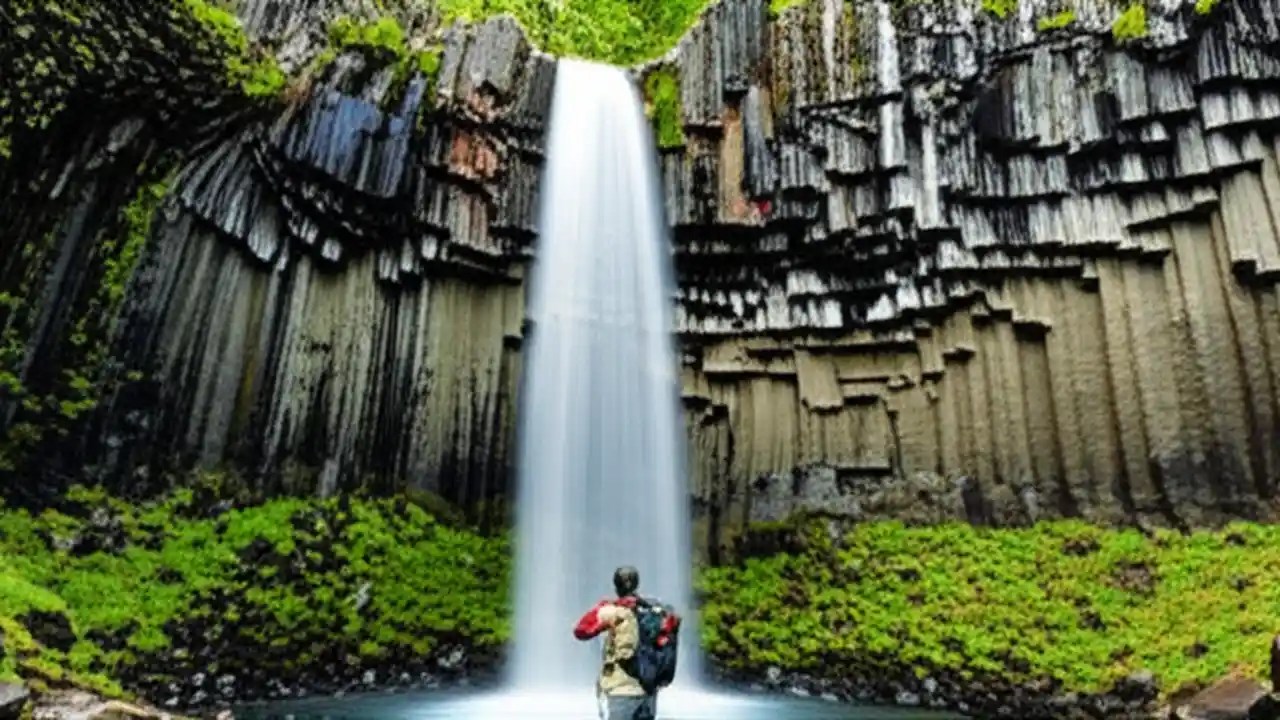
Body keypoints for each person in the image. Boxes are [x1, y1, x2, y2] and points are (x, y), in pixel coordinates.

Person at [572, 566, 658, 720]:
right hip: (649, 691)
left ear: (616, 586)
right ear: (637, 584)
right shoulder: (653, 610)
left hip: (621, 689)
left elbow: (581, 631)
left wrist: (603, 608)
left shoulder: (611, 611)